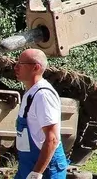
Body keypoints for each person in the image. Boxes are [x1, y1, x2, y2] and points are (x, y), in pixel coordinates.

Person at [13, 48, 69, 179]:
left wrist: (36, 173)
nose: (15, 67)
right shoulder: (30, 92)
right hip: (28, 165)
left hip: (46, 169)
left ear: (36, 67)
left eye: (20, 64)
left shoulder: (43, 95)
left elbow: (52, 139)